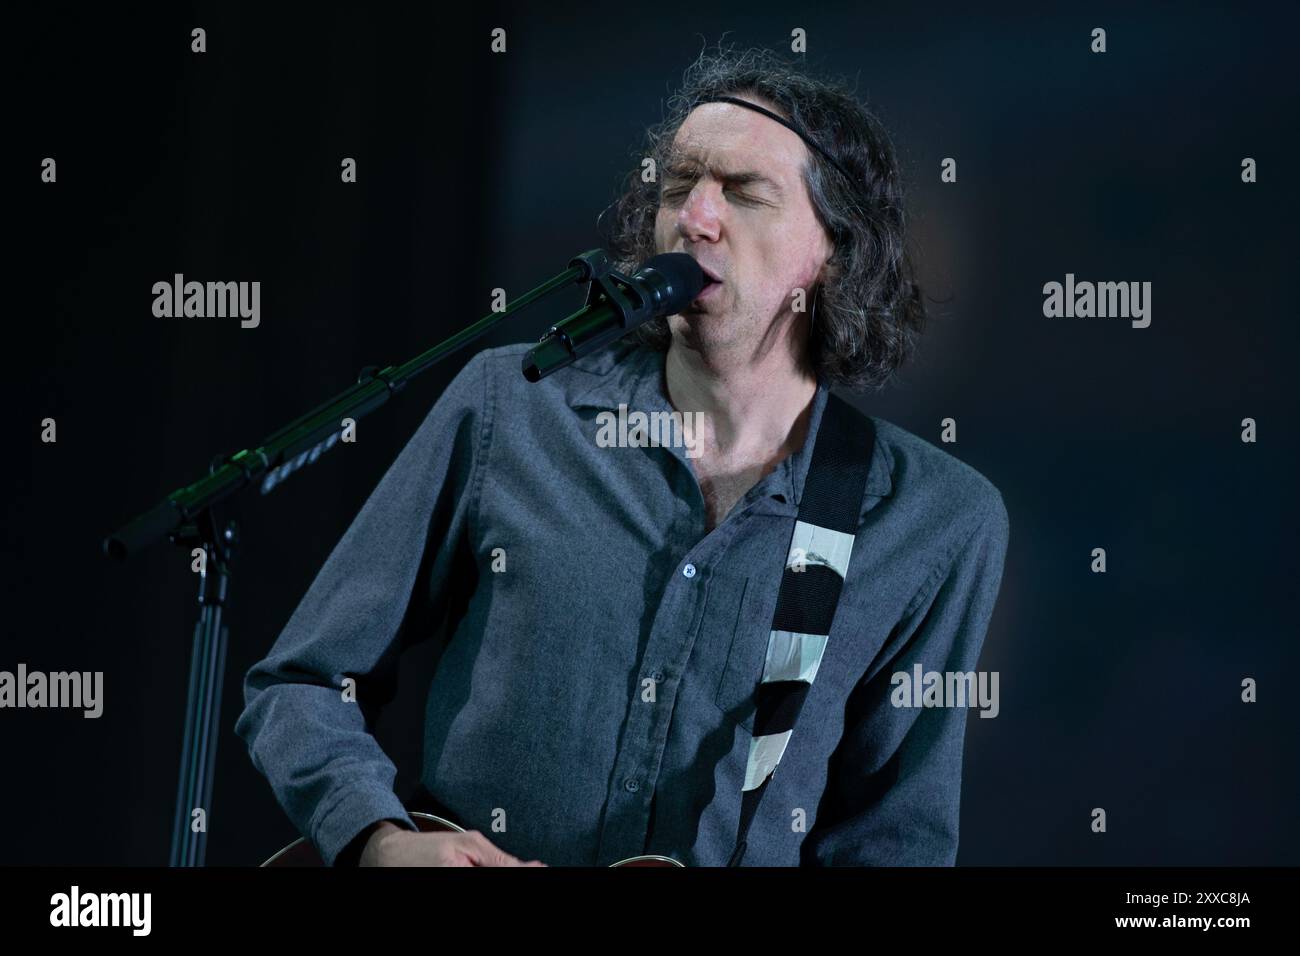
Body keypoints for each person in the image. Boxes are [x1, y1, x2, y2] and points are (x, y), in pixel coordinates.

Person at [235, 46, 1010, 867]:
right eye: (679, 186)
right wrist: (378, 839)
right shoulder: (512, 405)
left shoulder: (934, 521)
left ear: (833, 252)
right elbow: (303, 682)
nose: (695, 218)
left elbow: (893, 845)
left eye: (745, 192)